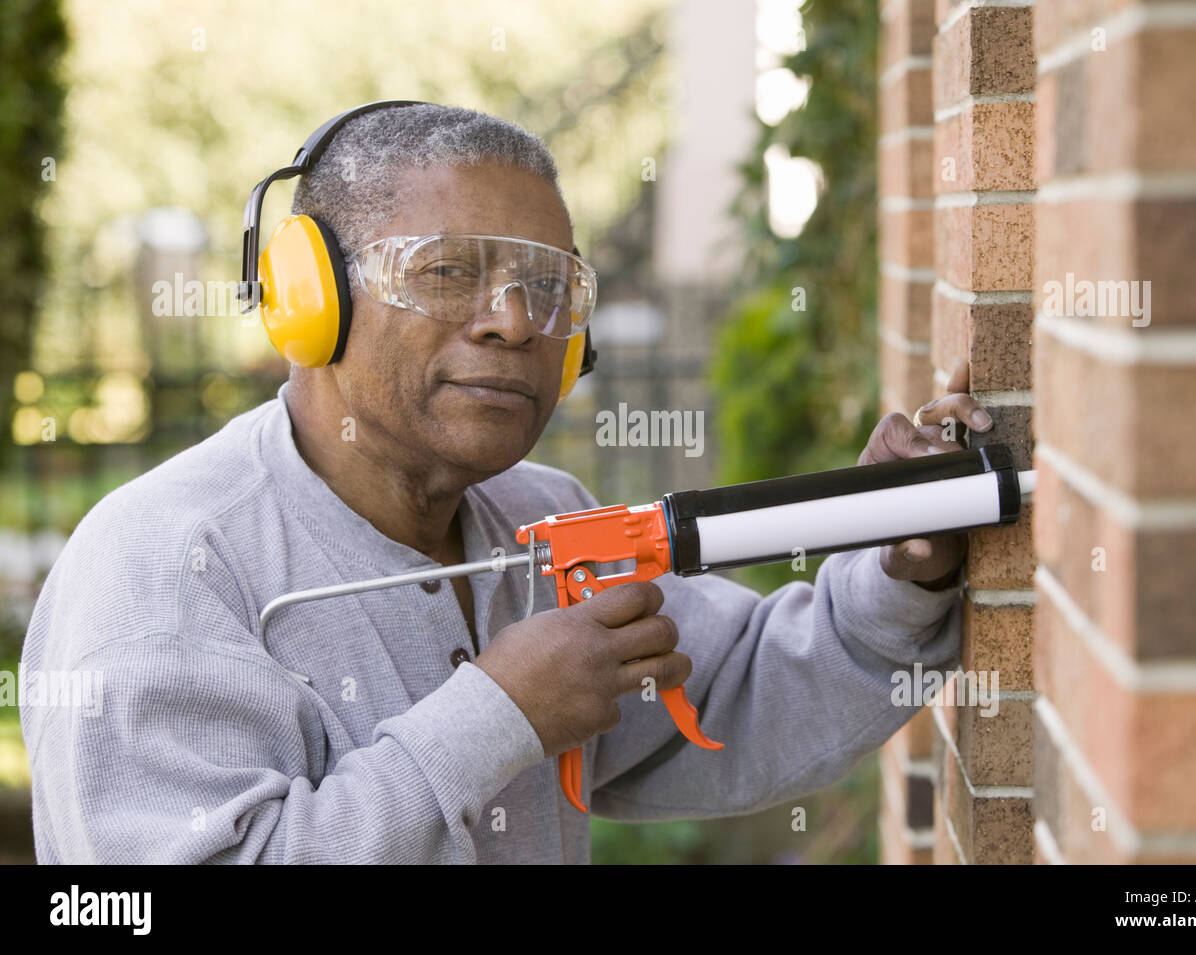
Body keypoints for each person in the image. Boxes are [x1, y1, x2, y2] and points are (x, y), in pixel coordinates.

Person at [20, 103, 993, 863]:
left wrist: (901, 564)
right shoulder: (164, 569)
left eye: (547, 284)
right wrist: (500, 713)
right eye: (446, 272)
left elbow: (744, 694)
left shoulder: (538, 520)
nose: (515, 321)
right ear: (307, 300)